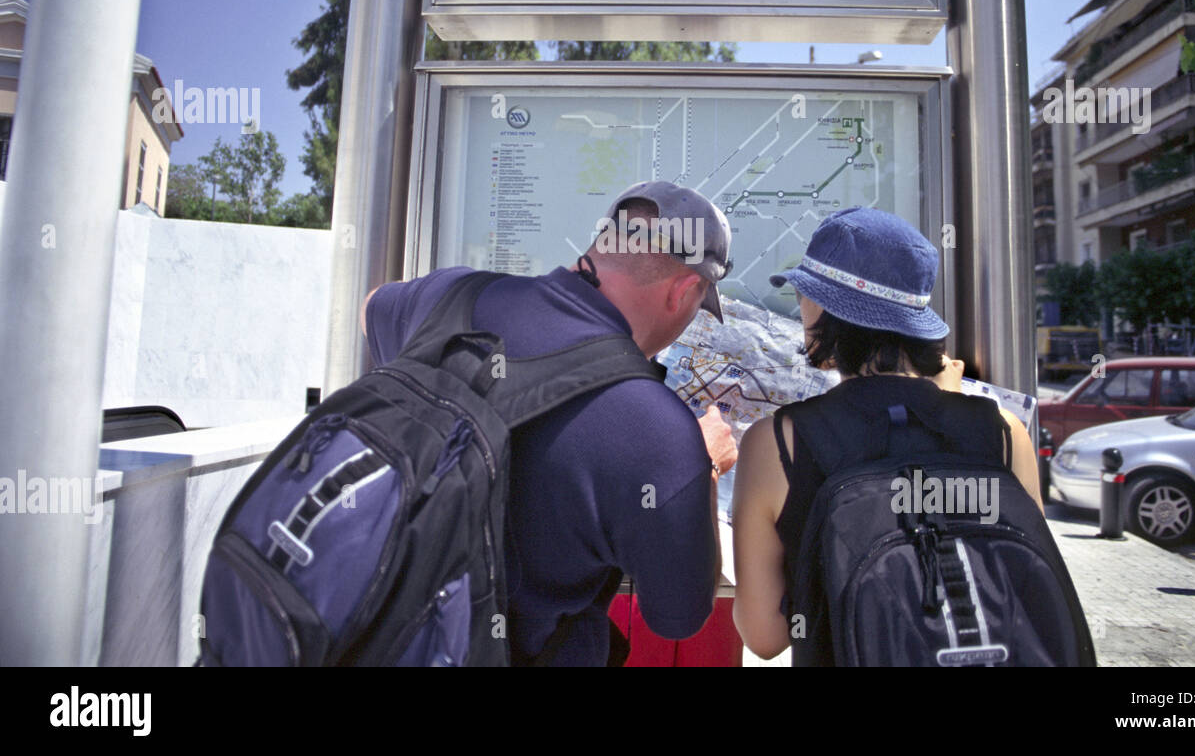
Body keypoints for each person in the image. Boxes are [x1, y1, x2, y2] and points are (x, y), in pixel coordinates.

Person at [362, 181, 739, 666]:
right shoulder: (660, 434)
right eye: (697, 306)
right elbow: (679, 617)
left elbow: (372, 305)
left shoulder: (452, 296)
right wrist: (701, 468)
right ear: (685, 290)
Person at [731, 207, 1042, 661]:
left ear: (823, 308)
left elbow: (764, 637)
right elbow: (1022, 587)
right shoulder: (1004, 432)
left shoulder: (777, 443)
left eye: (803, 295)